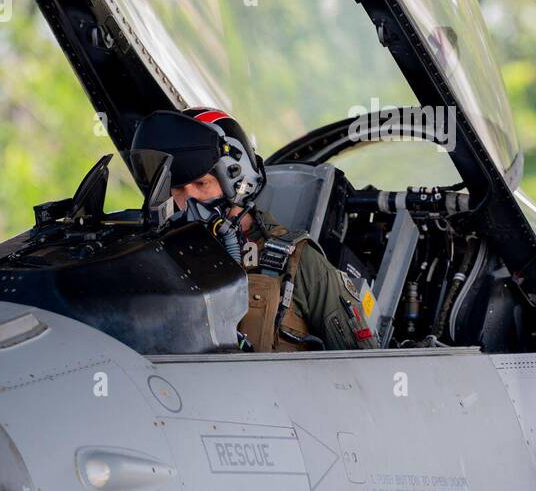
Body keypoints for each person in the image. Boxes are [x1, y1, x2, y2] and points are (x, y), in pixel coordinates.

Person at [128, 108, 377, 353]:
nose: (185, 203)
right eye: (177, 190)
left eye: (201, 184)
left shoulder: (298, 264)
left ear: (241, 183)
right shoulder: (155, 257)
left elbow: (365, 370)